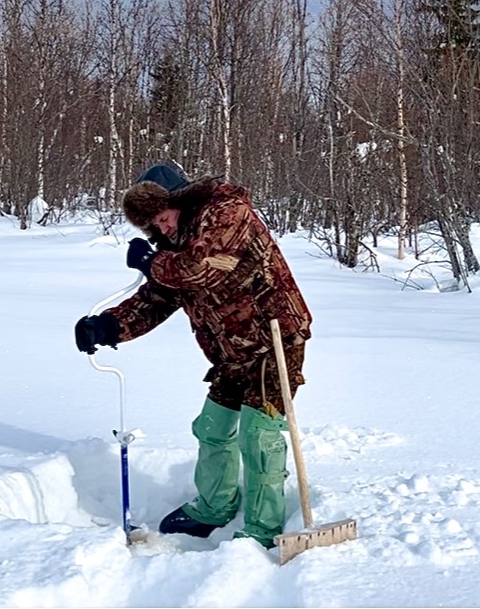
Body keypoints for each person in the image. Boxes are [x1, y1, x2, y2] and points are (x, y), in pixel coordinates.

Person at [74, 163, 313, 548]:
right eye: (154, 224)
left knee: (258, 436)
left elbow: (200, 268)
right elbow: (156, 299)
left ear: (180, 202)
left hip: (274, 341)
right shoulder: (173, 247)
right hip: (230, 351)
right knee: (212, 429)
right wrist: (108, 326)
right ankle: (215, 506)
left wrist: (150, 263)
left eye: (164, 217)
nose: (163, 228)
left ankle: (263, 529)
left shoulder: (227, 211)